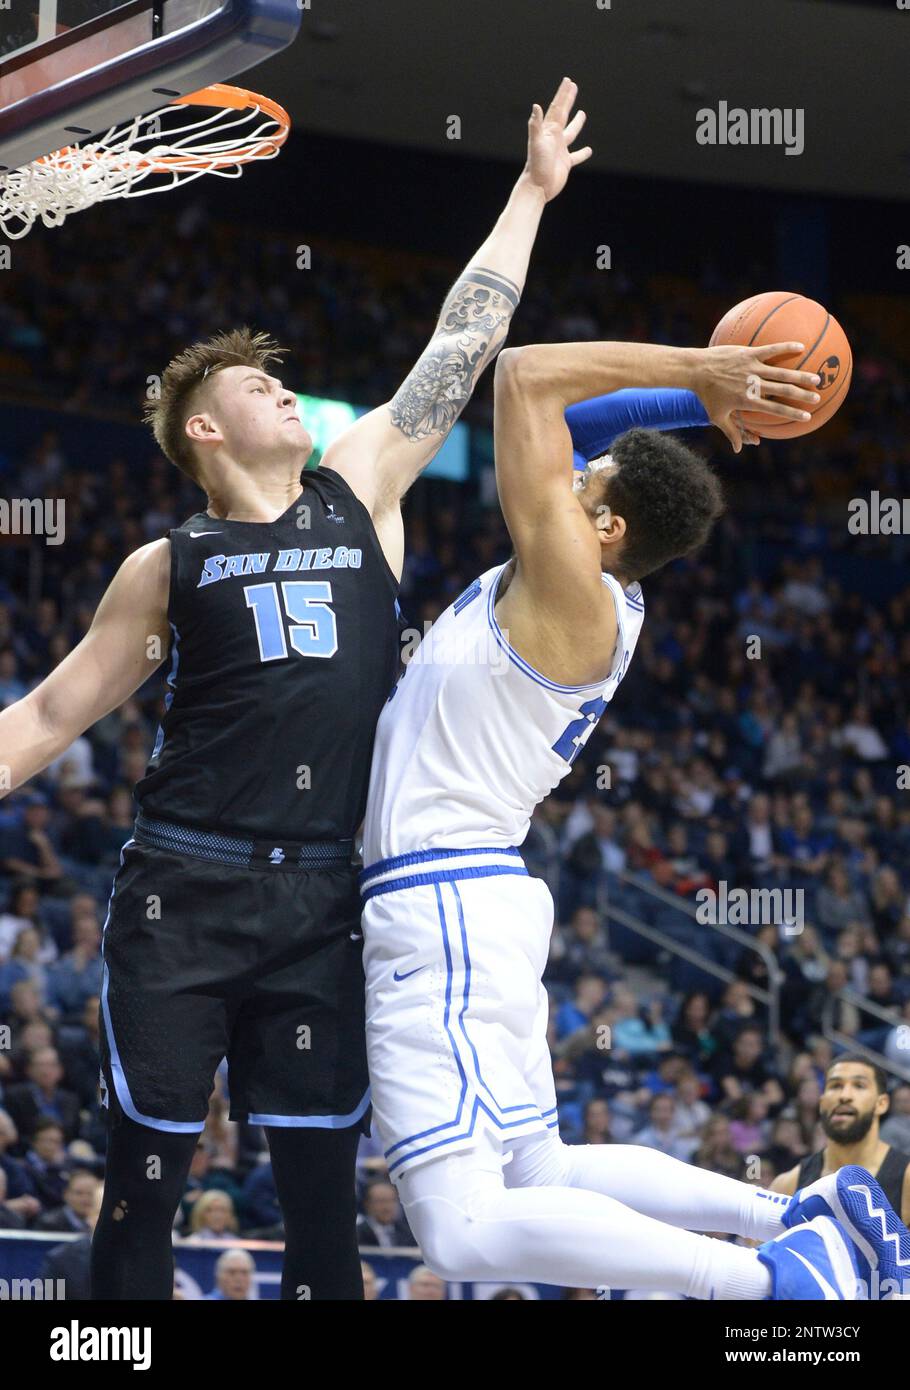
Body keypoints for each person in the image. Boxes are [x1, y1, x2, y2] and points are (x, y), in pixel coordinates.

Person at [0, 79, 591, 1301]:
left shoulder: (358, 490)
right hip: (184, 886)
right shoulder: (168, 563)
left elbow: (461, 343)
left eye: (283, 385)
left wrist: (530, 194)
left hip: (324, 891)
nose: (283, 391)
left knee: (323, 1191)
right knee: (144, 1184)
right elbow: (53, 715)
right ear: (202, 434)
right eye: (253, 388)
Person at [358, 331, 909, 1298]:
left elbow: (527, 376)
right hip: (470, 896)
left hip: (439, 903)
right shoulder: (594, 577)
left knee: (461, 1232)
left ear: (605, 526)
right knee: (542, 1174)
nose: (573, 467)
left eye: (590, 477)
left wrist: (703, 369)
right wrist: (705, 403)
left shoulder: (571, 589)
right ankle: (792, 1213)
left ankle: (771, 1282)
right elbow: (580, 417)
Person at [771, 1056, 910, 1228]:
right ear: (822, 1103)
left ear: (881, 1103)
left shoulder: (906, 1178)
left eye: (859, 1085)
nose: (844, 1096)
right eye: (835, 1086)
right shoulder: (787, 1184)